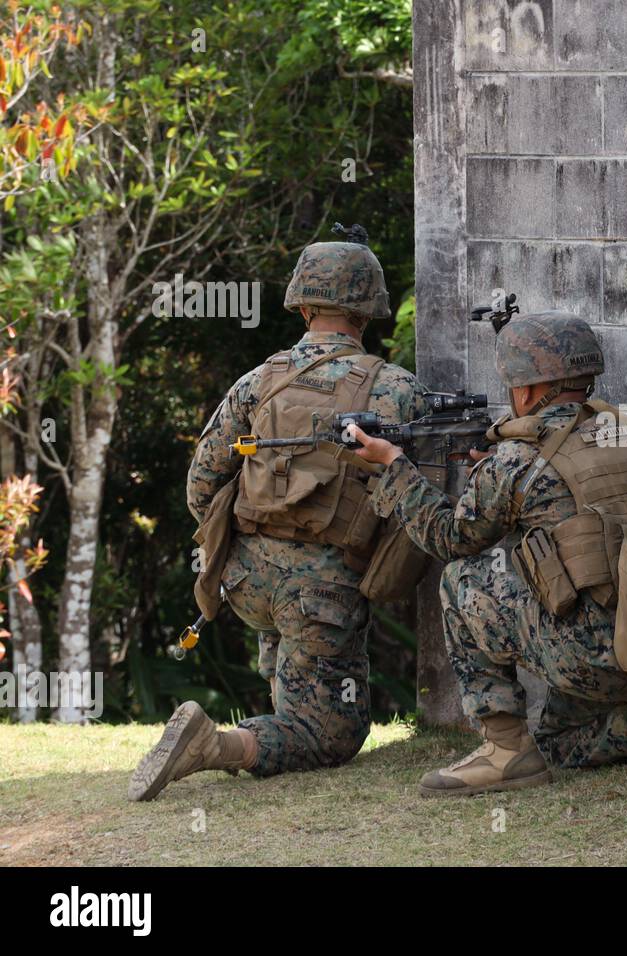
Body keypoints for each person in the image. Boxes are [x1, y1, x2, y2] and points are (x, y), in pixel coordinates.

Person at [128, 224, 424, 801]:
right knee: (329, 736)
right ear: (368, 311)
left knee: (293, 669)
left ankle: (273, 717)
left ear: (304, 304)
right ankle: (216, 744)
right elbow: (418, 494)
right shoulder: (395, 389)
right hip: (324, 590)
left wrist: (249, 540)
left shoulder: (258, 382)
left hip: (245, 581)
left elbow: (202, 483)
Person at [351, 311, 627, 796]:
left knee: (463, 576)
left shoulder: (519, 459)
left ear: (527, 391)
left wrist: (394, 467)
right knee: (559, 743)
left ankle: (503, 748)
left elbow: (449, 537)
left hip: (596, 659)